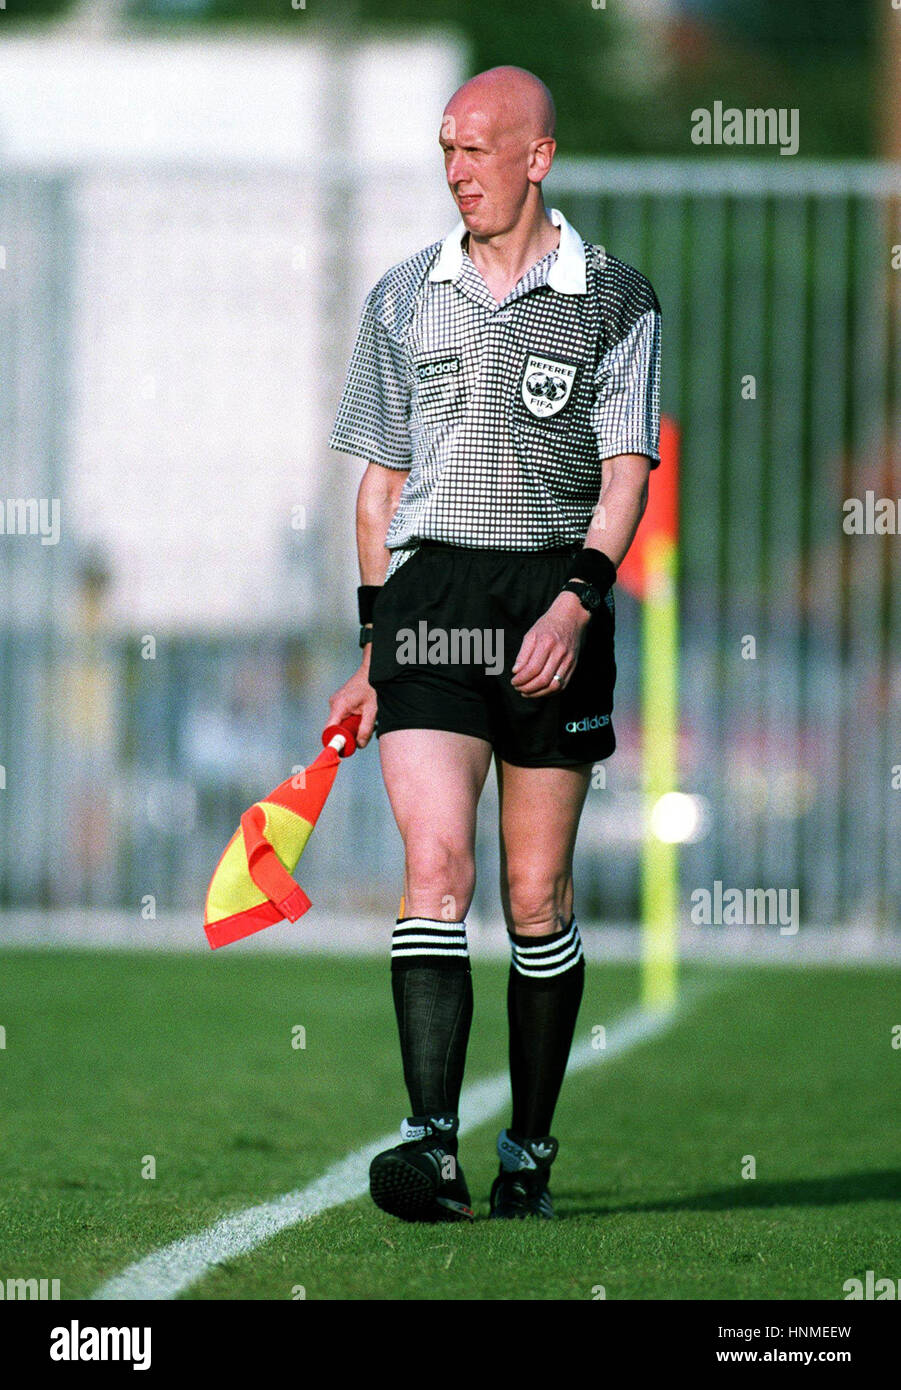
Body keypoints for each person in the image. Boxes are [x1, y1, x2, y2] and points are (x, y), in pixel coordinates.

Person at [328, 65, 661, 1221]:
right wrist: (375, 647)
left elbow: (623, 479)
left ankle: (527, 1148)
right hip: (430, 599)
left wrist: (576, 601)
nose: (458, 170)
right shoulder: (399, 296)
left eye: (478, 149)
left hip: (553, 596)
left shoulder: (614, 298)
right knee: (436, 866)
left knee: (534, 888)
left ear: (539, 157)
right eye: (446, 149)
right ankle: (428, 1144)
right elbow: (375, 490)